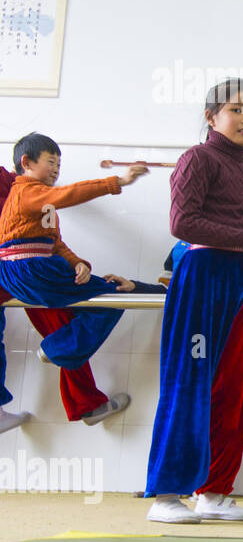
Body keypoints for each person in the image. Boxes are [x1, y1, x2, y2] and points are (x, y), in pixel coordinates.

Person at [144, 79, 243, 523]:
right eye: (237, 109)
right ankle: (166, 495)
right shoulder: (196, 159)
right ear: (211, 117)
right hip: (202, 276)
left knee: (233, 387)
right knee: (191, 378)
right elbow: (183, 223)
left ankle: (215, 491)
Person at [0, 134, 146, 436]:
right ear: (27, 163)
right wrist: (116, 181)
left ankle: (83, 398)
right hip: (23, 269)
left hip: (28, 268)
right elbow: (68, 194)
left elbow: (54, 240)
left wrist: (78, 262)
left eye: (58, 164)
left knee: (70, 322)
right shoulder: (25, 189)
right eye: (51, 163)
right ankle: (63, 364)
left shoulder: (27, 190)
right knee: (96, 307)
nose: (56, 169)